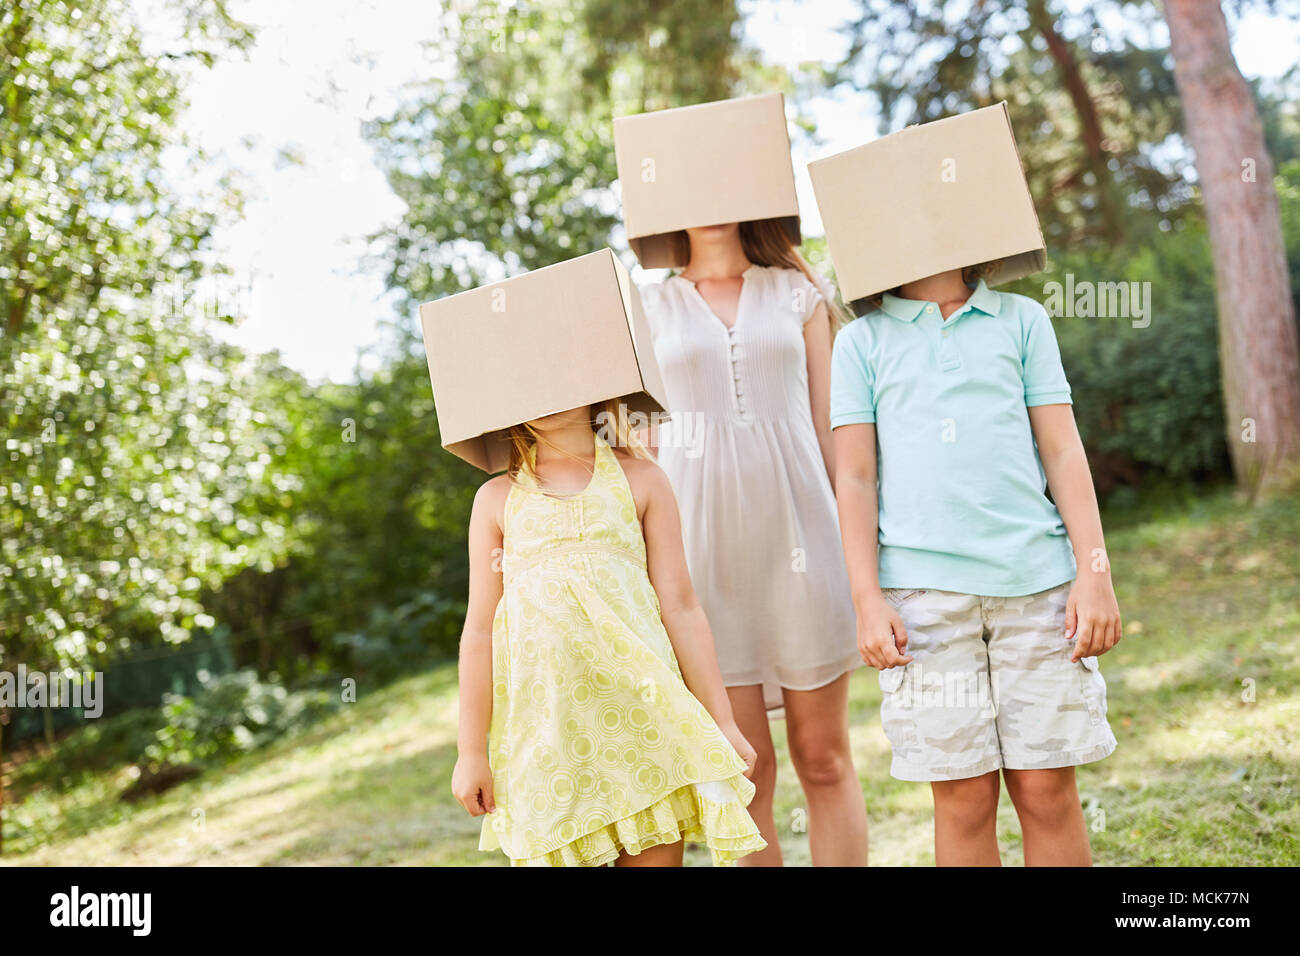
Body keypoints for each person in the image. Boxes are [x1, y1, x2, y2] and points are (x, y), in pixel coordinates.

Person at [831, 263, 1121, 866]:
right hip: (922, 602)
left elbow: (1064, 450)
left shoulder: (1022, 320)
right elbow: (855, 476)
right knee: (962, 796)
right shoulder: (861, 340)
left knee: (1046, 789)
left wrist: (1094, 574)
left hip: (1037, 587)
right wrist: (865, 597)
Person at [639, 221, 868, 866]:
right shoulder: (648, 305)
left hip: (802, 540)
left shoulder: (797, 292)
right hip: (701, 561)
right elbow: (640, 445)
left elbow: (833, 434)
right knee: (745, 771)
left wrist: (863, 559)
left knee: (824, 758)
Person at [451, 399, 766, 866]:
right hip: (547, 738)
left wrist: (721, 721)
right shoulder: (497, 499)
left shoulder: (643, 480)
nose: (543, 395)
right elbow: (479, 631)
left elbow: (680, 606)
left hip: (645, 731)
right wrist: (471, 750)